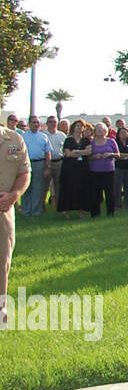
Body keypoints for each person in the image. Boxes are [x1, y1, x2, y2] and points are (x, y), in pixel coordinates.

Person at [0, 122, 30, 325]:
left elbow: (24, 172)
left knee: (2, 261)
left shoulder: (14, 139)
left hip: (3, 210)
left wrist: (14, 195)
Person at [58, 120, 91, 219]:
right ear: (73, 127)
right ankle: (67, 212)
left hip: (83, 168)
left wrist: (76, 151)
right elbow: (67, 153)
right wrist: (81, 151)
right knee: (68, 188)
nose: (79, 127)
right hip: (69, 168)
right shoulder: (68, 140)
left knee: (82, 188)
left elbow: (89, 151)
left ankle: (81, 212)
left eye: (81, 126)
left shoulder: (86, 140)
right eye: (77, 125)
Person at [19, 116, 51, 218]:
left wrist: (47, 167)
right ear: (29, 124)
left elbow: (47, 153)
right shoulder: (23, 137)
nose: (36, 124)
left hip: (40, 164)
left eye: (37, 122)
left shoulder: (44, 136)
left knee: (38, 188)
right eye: (33, 122)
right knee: (26, 187)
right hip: (26, 164)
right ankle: (26, 211)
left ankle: (36, 212)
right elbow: (19, 153)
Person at [86, 123, 119, 217]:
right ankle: (95, 213)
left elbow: (118, 155)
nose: (100, 130)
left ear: (106, 131)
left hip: (109, 171)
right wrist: (94, 156)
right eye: (98, 129)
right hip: (95, 171)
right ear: (95, 131)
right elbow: (87, 157)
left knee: (109, 192)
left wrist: (110, 154)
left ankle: (110, 212)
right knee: (95, 193)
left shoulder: (111, 141)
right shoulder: (91, 142)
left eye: (102, 129)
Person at [112, 126, 128, 211]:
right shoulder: (116, 143)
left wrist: (123, 155)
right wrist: (127, 156)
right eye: (121, 132)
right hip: (118, 167)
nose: (123, 134)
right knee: (117, 187)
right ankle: (117, 205)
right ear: (118, 134)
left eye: (125, 132)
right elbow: (116, 154)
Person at [46, 116, 66, 212]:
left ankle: (60, 207)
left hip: (59, 162)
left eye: (54, 122)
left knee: (59, 186)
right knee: (44, 187)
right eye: (50, 122)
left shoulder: (62, 135)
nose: (52, 123)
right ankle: (41, 207)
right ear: (47, 123)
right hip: (46, 163)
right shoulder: (43, 135)